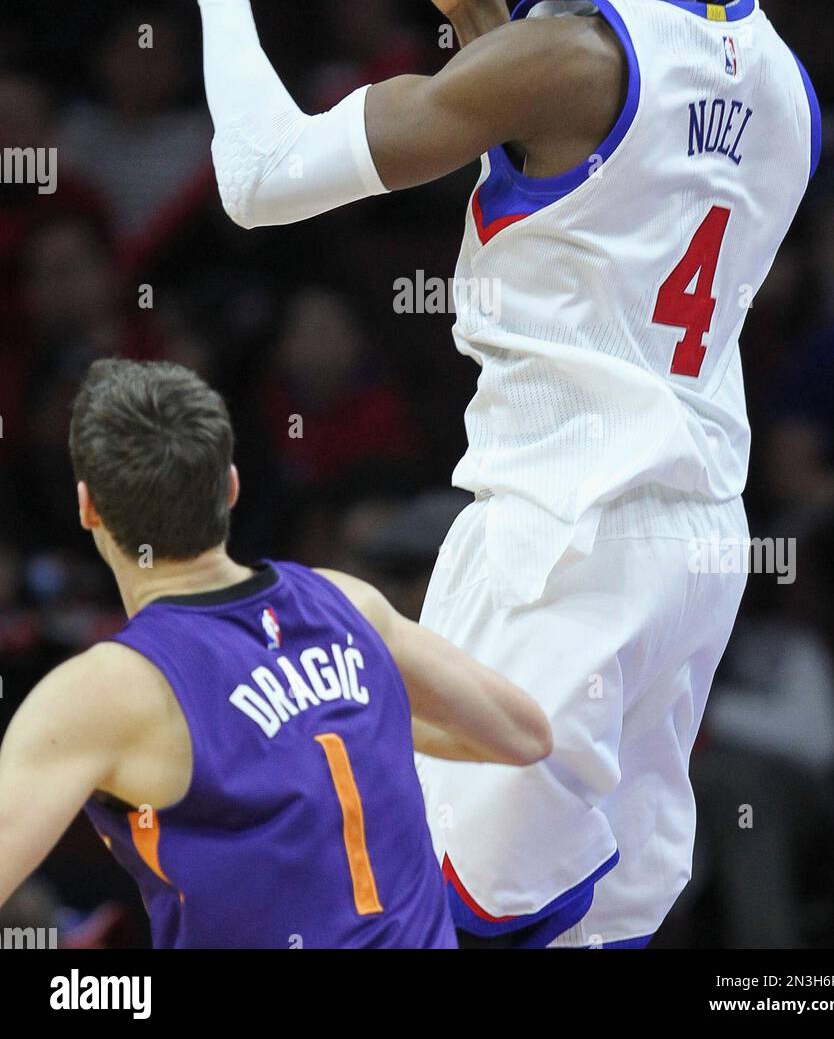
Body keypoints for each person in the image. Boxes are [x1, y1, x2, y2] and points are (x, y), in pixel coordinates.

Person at [166, 0, 821, 948]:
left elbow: (259, 180)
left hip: (560, 525)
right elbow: (597, 196)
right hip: (692, 544)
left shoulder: (564, 54)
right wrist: (476, 18)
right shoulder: (781, 80)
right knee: (594, 926)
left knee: (438, 916)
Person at [0, 358, 551, 949]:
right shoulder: (347, 602)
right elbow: (524, 734)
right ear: (230, 487)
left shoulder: (103, 693)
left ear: (88, 507)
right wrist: (347, 715)